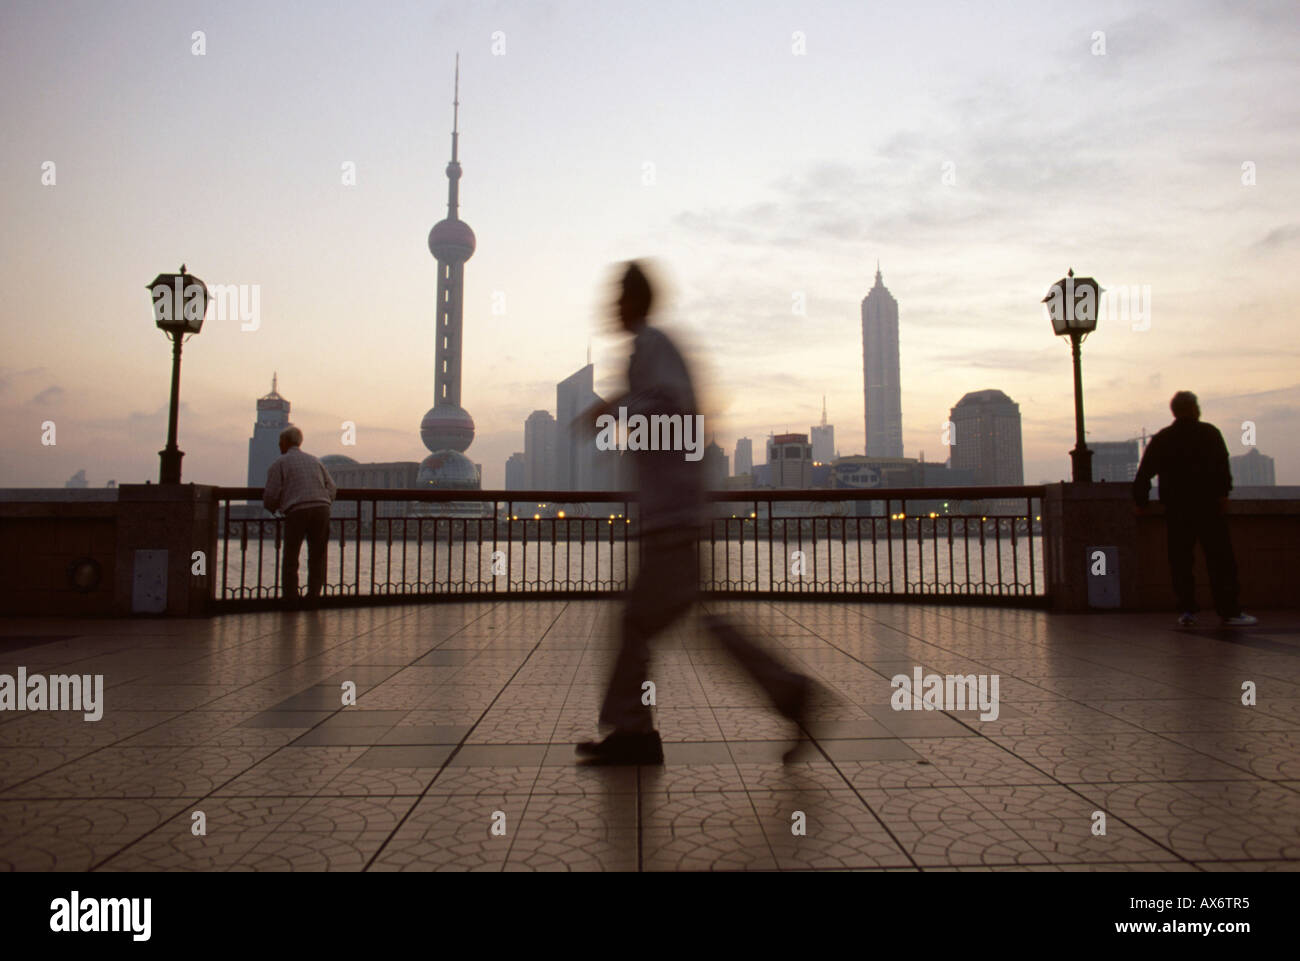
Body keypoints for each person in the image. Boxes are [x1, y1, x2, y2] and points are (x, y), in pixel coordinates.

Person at [574, 261, 812, 766]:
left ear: (636, 301)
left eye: (618, 295)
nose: (611, 305)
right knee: (694, 625)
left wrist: (615, 410)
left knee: (640, 625)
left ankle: (636, 731)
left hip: (673, 520)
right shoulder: (648, 351)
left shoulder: (655, 347)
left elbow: (671, 406)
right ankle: (788, 693)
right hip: (673, 517)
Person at [1133, 391, 1256, 628]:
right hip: (1208, 506)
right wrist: (1223, 494)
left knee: (1181, 561)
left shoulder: (1164, 438)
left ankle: (1187, 610)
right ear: (1194, 409)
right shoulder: (1210, 434)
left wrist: (1141, 502)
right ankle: (1229, 610)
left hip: (1177, 508)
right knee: (1220, 560)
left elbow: (1145, 472)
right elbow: (1222, 467)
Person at [263, 426, 337, 609]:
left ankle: (291, 600)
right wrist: (324, 501)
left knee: (291, 557)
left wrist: (275, 508)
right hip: (321, 509)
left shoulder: (279, 464)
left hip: (296, 511)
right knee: (317, 556)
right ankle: (313, 598)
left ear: (286, 442)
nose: (279, 445)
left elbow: (270, 495)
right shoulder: (315, 461)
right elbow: (332, 488)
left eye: (280, 442)